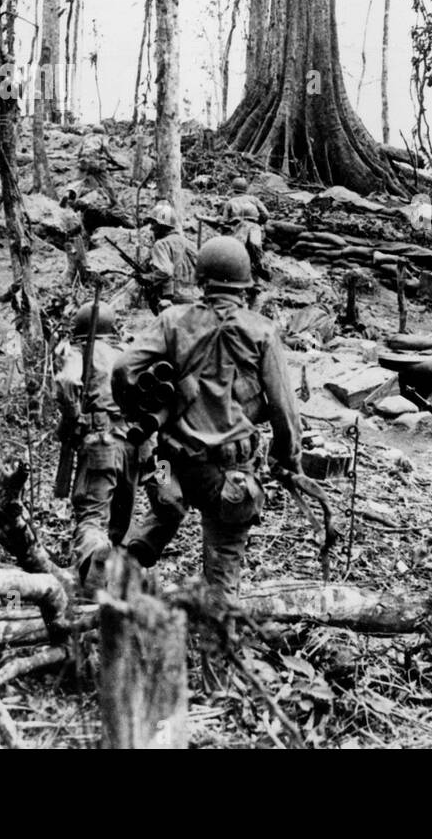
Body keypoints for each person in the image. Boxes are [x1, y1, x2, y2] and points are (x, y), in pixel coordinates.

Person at [113, 237, 301, 599]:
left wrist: (140, 413)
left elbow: (123, 369)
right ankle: (215, 642)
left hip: (171, 466)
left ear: (202, 281)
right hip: (230, 477)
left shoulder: (172, 320)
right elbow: (284, 411)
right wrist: (287, 459)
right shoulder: (261, 331)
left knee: (163, 507)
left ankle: (119, 582)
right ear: (246, 286)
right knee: (222, 577)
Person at [55, 303, 136, 588]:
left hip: (100, 442)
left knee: (91, 516)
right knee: (122, 522)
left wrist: (71, 418)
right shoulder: (127, 353)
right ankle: (121, 584)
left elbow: (66, 382)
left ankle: (94, 565)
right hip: (132, 444)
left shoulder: (78, 352)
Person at [140, 201, 199, 310]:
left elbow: (165, 271)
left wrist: (147, 277)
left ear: (163, 225)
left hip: (173, 299)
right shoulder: (189, 243)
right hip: (194, 297)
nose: (151, 228)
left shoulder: (161, 244)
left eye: (154, 223)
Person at [220, 177, 270, 280]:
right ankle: (261, 275)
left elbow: (224, 220)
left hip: (238, 229)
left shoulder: (230, 202)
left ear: (233, 189)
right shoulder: (254, 200)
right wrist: (258, 222)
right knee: (257, 253)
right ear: (246, 189)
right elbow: (266, 214)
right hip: (254, 228)